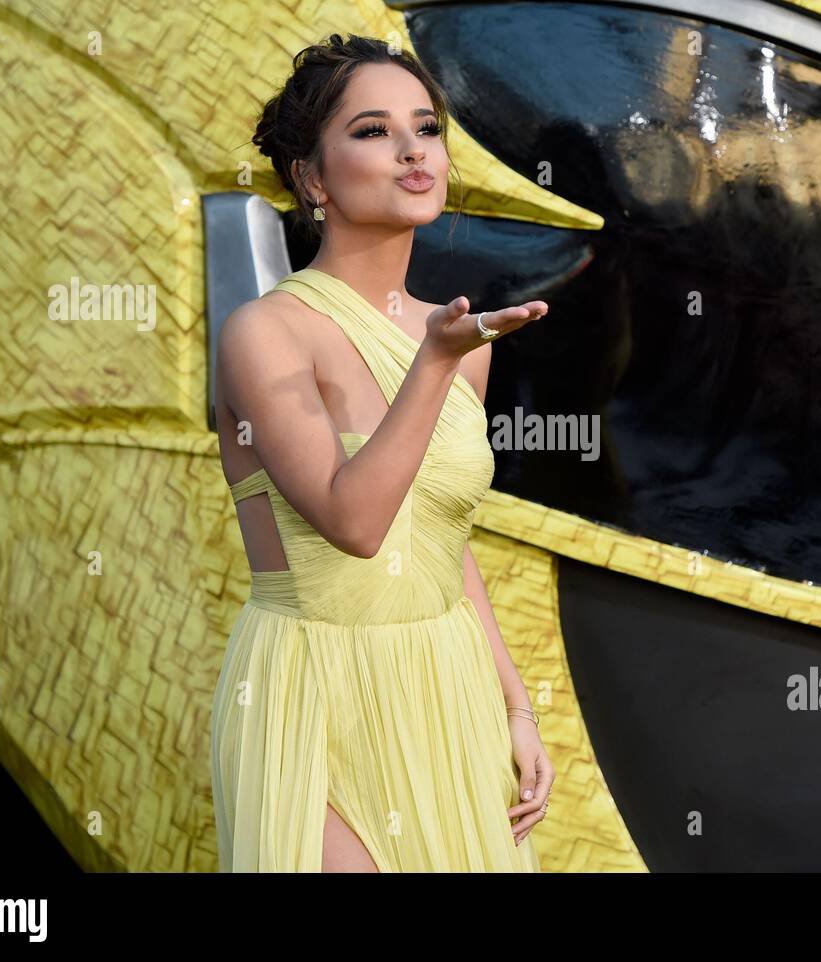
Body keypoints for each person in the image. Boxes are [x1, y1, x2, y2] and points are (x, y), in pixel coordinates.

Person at [209, 33, 553, 872]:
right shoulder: (266, 332)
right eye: (371, 130)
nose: (411, 150)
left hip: (448, 683)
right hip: (310, 695)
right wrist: (431, 364)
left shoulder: (465, 343)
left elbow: (439, 541)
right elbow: (356, 524)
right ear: (313, 178)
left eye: (425, 127)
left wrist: (515, 705)